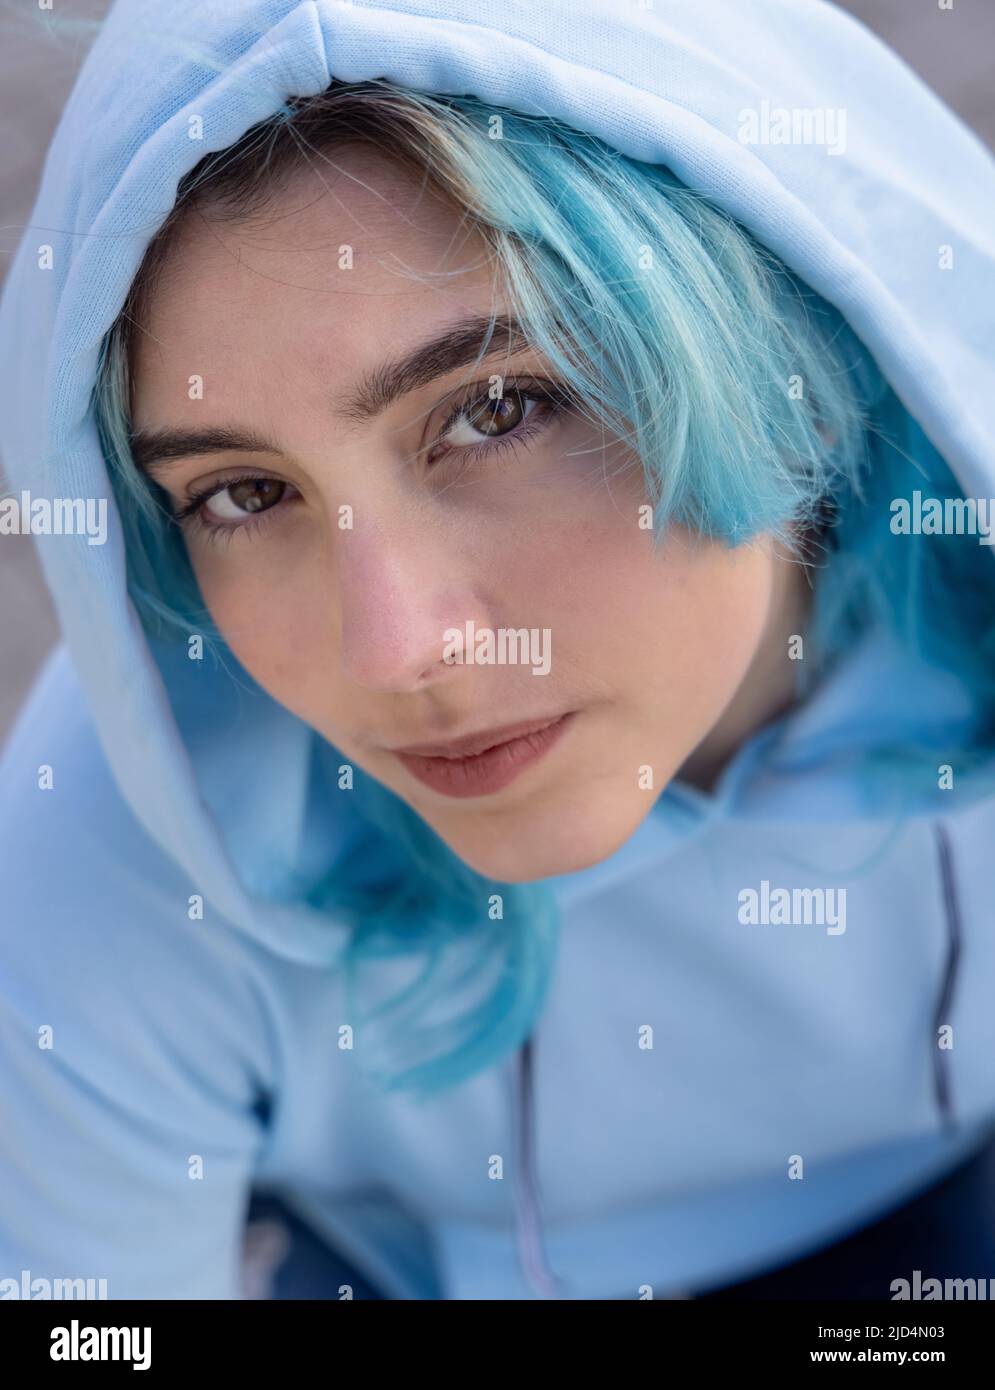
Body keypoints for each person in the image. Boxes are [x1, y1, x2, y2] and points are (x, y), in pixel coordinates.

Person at [2, 0, 995, 1302]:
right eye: (242, 493)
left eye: (498, 407)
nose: (397, 647)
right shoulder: (134, 824)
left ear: (769, 328)